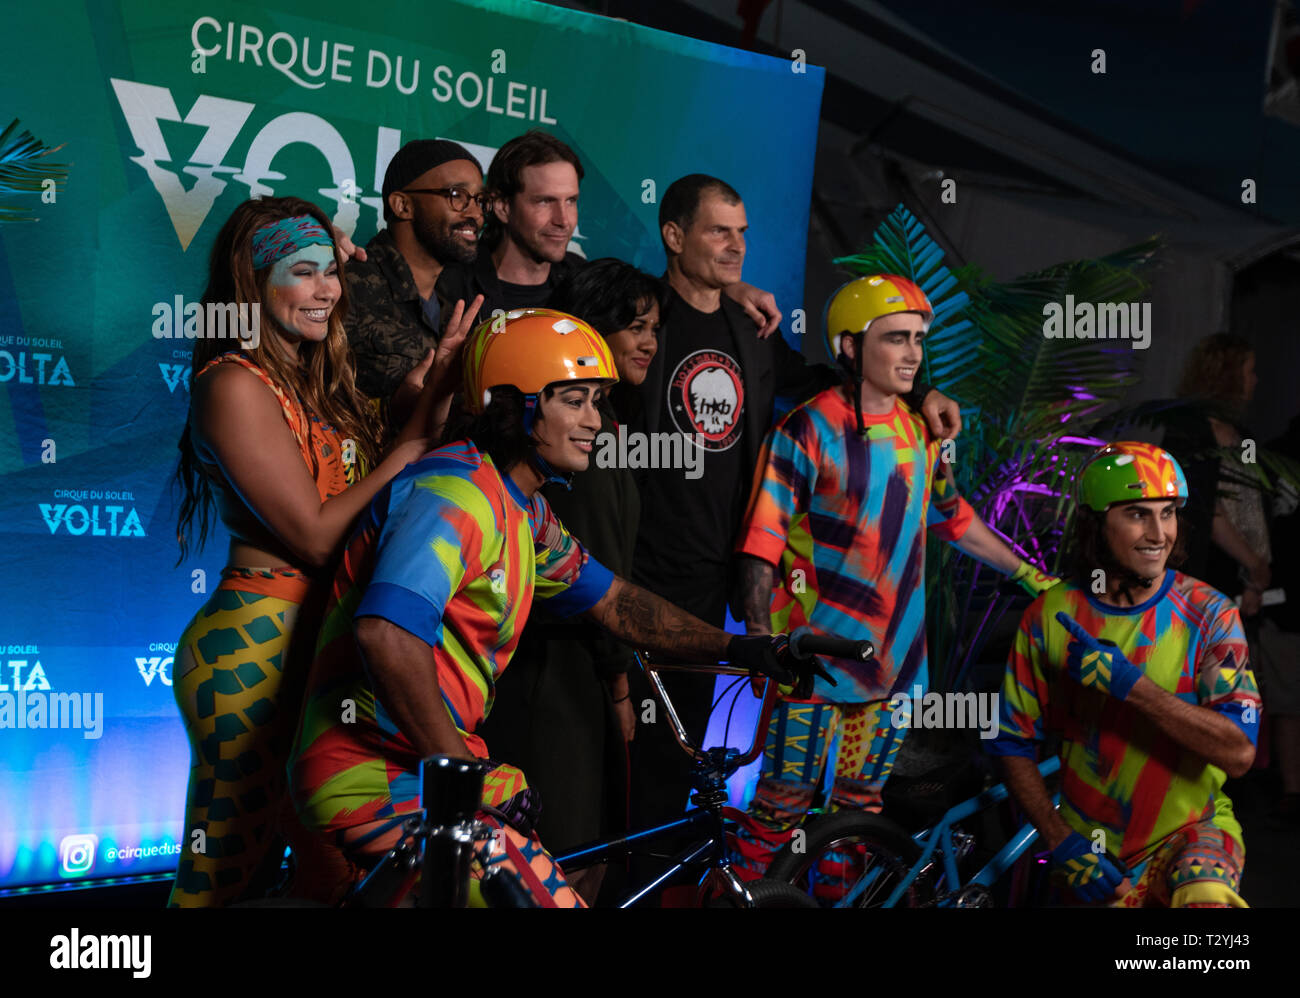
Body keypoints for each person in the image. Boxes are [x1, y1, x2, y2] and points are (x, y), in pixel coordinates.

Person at [285, 309, 813, 906]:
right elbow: (385, 634)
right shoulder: (457, 494)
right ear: (514, 406)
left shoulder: (523, 509)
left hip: (420, 768)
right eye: (576, 402)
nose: (598, 423)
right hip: (368, 773)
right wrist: (469, 776)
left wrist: (741, 647)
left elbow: (616, 603)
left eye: (600, 402)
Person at [626, 177, 964, 839]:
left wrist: (921, 393)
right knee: (630, 768)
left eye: (743, 232)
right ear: (673, 237)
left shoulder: (751, 330)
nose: (737, 246)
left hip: (713, 582)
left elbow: (830, 383)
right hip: (637, 575)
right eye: (719, 231)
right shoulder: (641, 317)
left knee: (679, 778)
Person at [168, 197, 478, 907]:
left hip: (317, 644)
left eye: (330, 272)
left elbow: (403, 457)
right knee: (221, 874)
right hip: (253, 647)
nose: (327, 290)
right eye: (302, 273)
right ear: (254, 283)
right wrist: (406, 452)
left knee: (329, 875)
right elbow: (312, 533)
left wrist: (439, 382)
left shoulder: (317, 381)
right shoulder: (232, 383)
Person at [731, 274, 1057, 875]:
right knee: (778, 811)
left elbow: (955, 521)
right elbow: (762, 540)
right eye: (896, 338)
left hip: (894, 668)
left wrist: (1037, 579)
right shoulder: (806, 427)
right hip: (811, 662)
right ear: (851, 347)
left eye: (918, 339)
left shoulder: (921, 432)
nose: (913, 353)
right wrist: (760, 639)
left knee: (859, 817)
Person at [989, 442, 1260, 908]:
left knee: (1206, 902)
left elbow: (1238, 752)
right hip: (1090, 852)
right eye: (1137, 514)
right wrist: (1060, 839)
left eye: (1169, 513)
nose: (1159, 533)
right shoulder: (1049, 616)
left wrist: (1133, 688)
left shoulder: (1210, 613)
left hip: (1192, 835)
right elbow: (1009, 740)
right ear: (1096, 525)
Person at [477, 261, 661, 904]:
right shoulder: (576, 445)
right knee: (563, 859)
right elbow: (601, 580)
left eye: (653, 329)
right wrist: (618, 690)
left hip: (574, 673)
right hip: (557, 680)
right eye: (632, 327)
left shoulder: (597, 432)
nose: (647, 343)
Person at [433, 130, 786, 334]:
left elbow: (659, 302)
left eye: (571, 201)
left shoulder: (588, 283)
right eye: (545, 202)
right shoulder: (450, 282)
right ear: (502, 206)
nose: (564, 219)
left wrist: (728, 286)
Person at [344, 139, 487, 426]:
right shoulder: (345, 285)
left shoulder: (459, 308)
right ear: (402, 205)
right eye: (457, 195)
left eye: (480, 200)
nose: (474, 214)